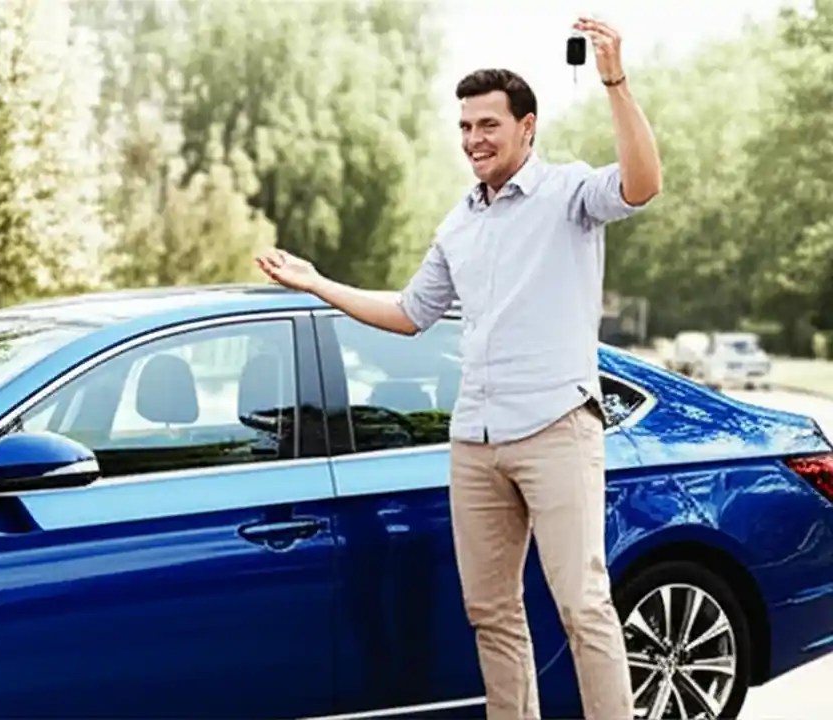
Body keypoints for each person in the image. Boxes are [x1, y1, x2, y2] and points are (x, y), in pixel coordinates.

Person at [255, 16, 661, 720]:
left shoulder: (568, 195)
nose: (474, 139)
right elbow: (410, 312)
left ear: (526, 128)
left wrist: (615, 82)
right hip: (475, 439)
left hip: (556, 426)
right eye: (465, 127)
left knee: (584, 604)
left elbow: (643, 184)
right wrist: (319, 282)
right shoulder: (459, 224)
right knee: (491, 611)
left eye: (488, 125)